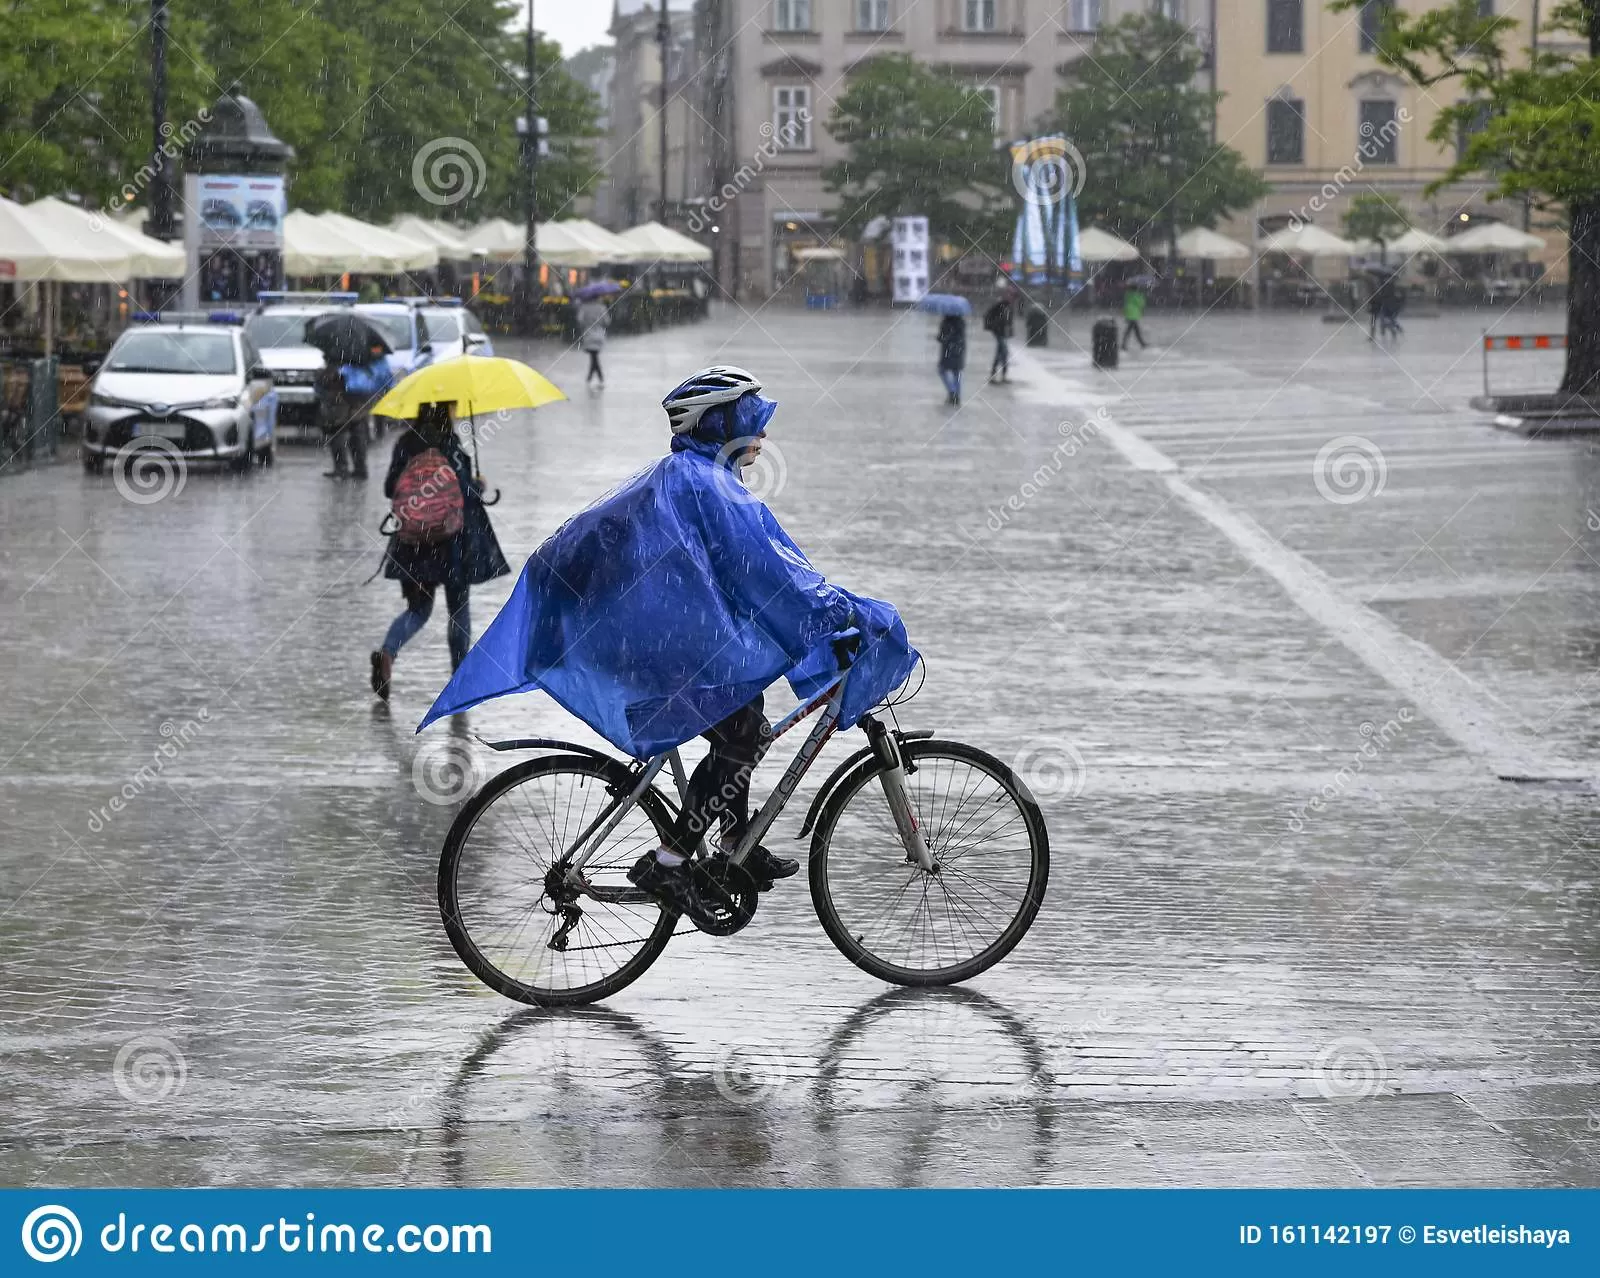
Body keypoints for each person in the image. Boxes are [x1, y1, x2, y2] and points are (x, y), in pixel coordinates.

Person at [417, 366, 919, 927]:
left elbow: (752, 574)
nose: (763, 434)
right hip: (653, 647)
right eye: (752, 421)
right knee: (744, 732)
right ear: (721, 424)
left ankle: (734, 844)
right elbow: (773, 579)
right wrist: (846, 610)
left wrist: (822, 606)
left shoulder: (692, 475)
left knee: (744, 709)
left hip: (649, 642)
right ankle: (671, 859)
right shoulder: (706, 486)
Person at [369, 402, 509, 702]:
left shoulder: (406, 443)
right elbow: (464, 494)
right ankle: (459, 683)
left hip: (414, 544)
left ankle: (388, 653)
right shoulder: (451, 444)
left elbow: (390, 488)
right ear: (447, 412)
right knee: (458, 611)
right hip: (453, 544)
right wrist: (478, 485)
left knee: (418, 610)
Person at [317, 363, 370, 480]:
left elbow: (324, 384)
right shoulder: (361, 362)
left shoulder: (337, 363)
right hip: (358, 401)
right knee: (357, 433)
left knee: (338, 433)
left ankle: (342, 468)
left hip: (341, 402)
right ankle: (359, 468)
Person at [983, 291, 1015, 384]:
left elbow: (1009, 321)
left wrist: (1010, 332)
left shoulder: (1010, 307)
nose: (1011, 298)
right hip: (999, 332)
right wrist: (992, 326)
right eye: (1009, 296)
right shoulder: (999, 305)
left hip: (1004, 333)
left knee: (1001, 354)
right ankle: (997, 375)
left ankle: (999, 375)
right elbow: (988, 315)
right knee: (1003, 352)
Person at [576, 296, 608, 387]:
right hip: (599, 334)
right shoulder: (602, 307)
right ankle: (597, 377)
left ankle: (592, 377)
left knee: (593, 356)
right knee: (594, 356)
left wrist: (587, 322)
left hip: (588, 334)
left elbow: (580, 320)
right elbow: (607, 321)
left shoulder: (584, 307)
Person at [937, 313, 967, 405]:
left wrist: (939, 338)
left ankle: (952, 392)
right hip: (959, 350)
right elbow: (961, 336)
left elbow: (942, 337)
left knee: (942, 370)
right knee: (956, 373)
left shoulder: (946, 323)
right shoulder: (961, 322)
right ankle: (957, 396)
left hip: (948, 350)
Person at [1121, 283, 1148, 351]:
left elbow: (1125, 303)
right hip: (1134, 314)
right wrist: (1142, 296)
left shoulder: (1128, 295)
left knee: (1132, 329)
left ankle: (1141, 343)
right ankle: (1141, 343)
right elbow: (1141, 303)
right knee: (1133, 330)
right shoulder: (1137, 295)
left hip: (1128, 313)